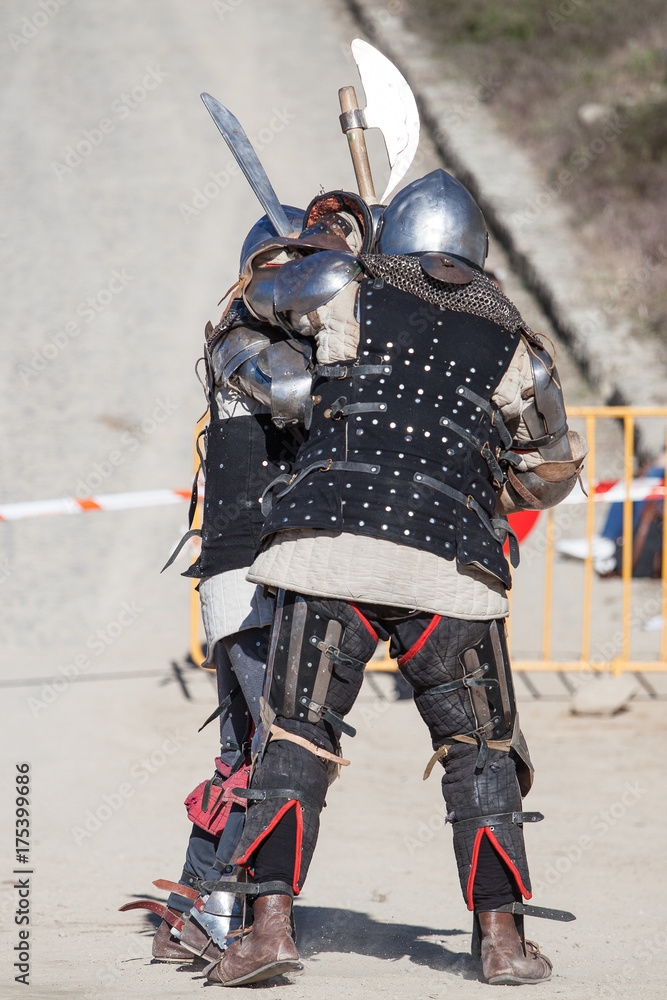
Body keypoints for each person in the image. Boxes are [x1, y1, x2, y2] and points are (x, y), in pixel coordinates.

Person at [201, 170, 587, 988]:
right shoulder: (517, 340)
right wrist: (491, 485)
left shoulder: (349, 285)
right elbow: (554, 465)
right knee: (482, 754)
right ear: (476, 250)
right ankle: (503, 945)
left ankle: (268, 933)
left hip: (332, 546)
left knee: (297, 736)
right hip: (454, 563)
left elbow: (255, 307)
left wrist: (335, 263)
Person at [120, 209, 307, 963]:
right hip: (248, 573)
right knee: (273, 751)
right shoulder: (247, 340)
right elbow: (296, 395)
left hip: (265, 573)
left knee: (246, 752)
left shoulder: (275, 338)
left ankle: (187, 914)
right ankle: (214, 915)